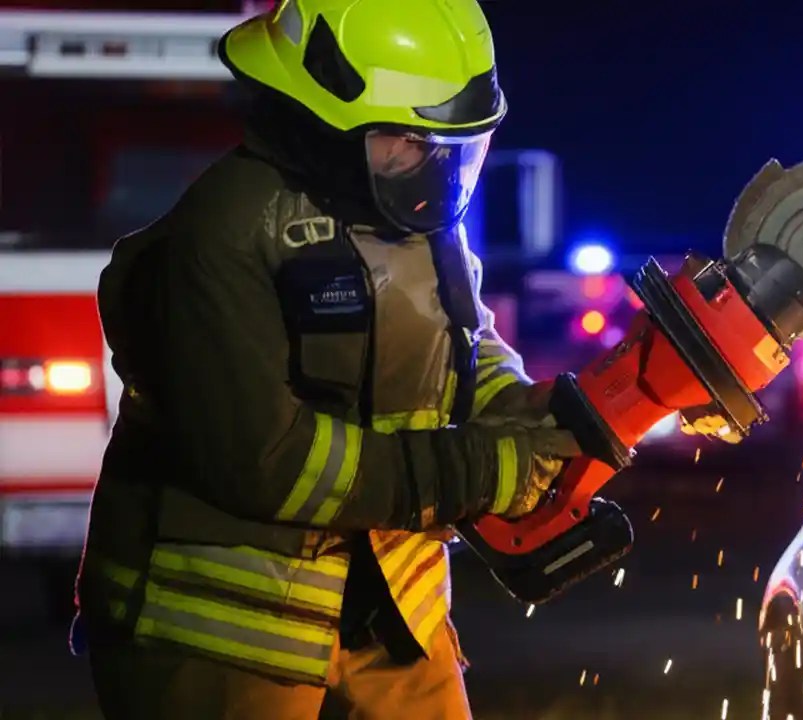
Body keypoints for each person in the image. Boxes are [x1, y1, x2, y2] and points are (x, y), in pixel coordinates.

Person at [73, 1, 579, 717]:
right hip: (220, 633)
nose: (433, 170)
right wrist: (480, 469)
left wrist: (537, 412)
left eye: (452, 148)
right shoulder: (220, 237)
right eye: (407, 141)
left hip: (390, 612)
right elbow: (268, 460)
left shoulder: (411, 212)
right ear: (318, 117)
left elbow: (462, 347)